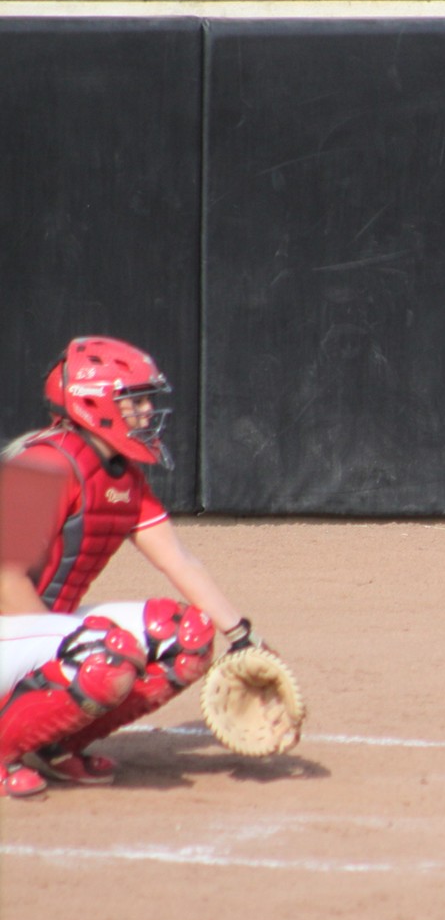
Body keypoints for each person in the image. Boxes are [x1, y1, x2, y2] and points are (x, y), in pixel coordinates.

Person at [0, 336, 270, 798]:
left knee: (188, 635)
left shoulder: (120, 474)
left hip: (30, 635)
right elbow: (4, 577)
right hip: (12, 629)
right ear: (92, 400)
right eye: (133, 399)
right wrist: (63, 644)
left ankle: (53, 743)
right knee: (107, 653)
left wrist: (243, 638)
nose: (145, 411)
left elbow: (179, 560)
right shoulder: (41, 462)